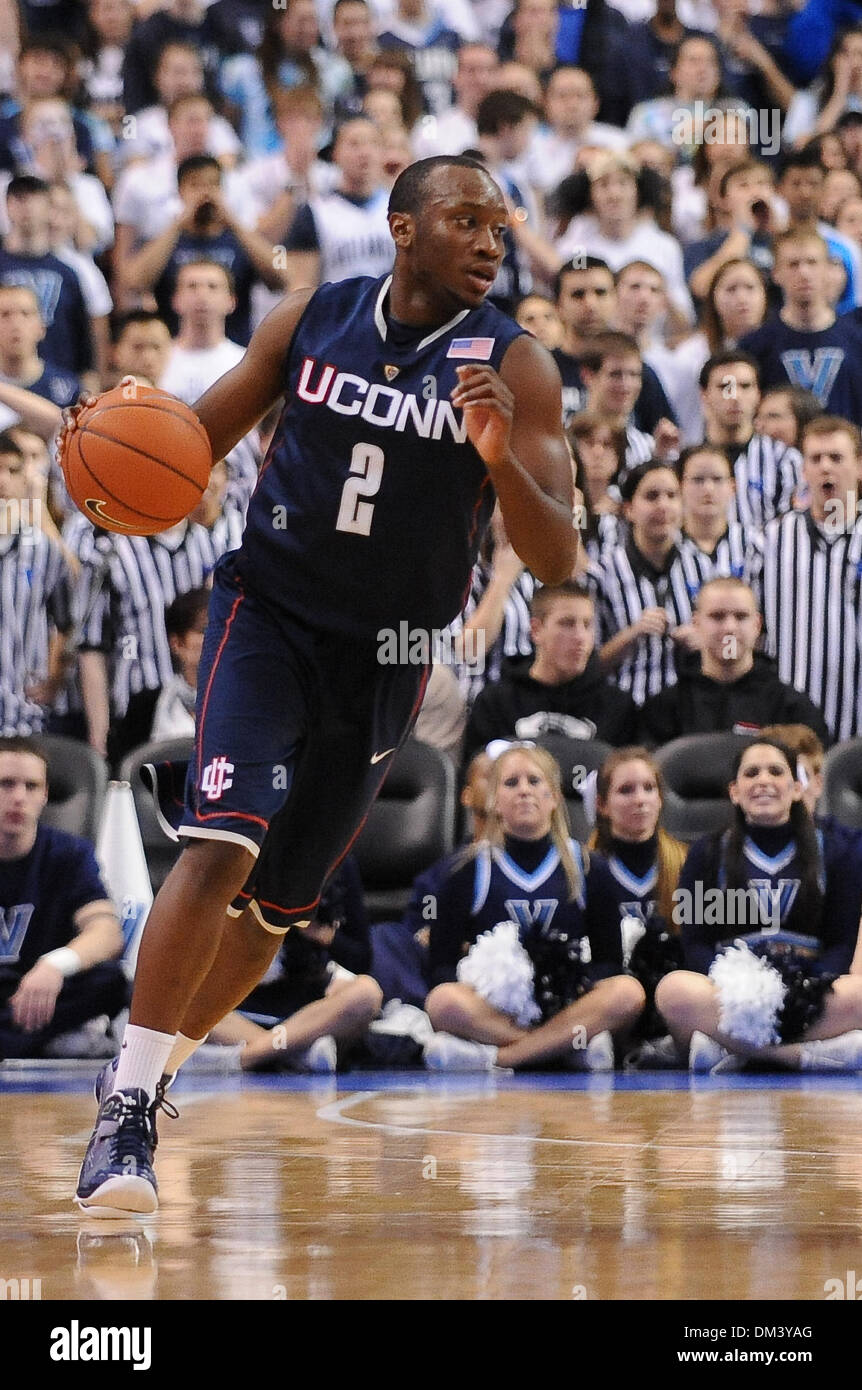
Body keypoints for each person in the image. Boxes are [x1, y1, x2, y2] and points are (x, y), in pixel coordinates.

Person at [70, 153, 576, 1215]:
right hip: (269, 611)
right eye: (467, 220)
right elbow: (192, 445)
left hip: (387, 653)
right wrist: (113, 461)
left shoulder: (515, 366)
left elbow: (559, 556)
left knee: (274, 911)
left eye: (501, 225)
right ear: (403, 228)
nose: (491, 240)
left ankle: (152, 1081)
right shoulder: (311, 318)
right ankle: (123, 1104)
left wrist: (497, 462)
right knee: (225, 836)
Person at [422, 743, 643, 1071]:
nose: (524, 791)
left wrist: (573, 986)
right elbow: (441, 965)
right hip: (497, 1009)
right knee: (442, 1002)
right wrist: (486, 985)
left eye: (534, 781)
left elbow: (608, 962)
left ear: (554, 797)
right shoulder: (466, 870)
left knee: (628, 992)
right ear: (495, 801)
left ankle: (501, 1057)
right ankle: (566, 1047)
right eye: (511, 783)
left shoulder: (587, 867)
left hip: (567, 1004)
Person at [655, 738, 862, 1073]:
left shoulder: (838, 852)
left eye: (776, 771)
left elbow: (841, 943)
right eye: (752, 773)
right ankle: (807, 1056)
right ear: (735, 791)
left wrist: (806, 989)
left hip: (809, 985)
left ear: (797, 788)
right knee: (674, 991)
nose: (764, 780)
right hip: (730, 993)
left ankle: (731, 1051)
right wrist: (735, 989)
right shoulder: (705, 853)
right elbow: (695, 943)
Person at [0, 737, 126, 1060]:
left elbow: (107, 932)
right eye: (5, 784)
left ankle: (22, 1041)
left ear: (44, 795)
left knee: (111, 981)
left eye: (31, 786)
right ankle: (33, 1043)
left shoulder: (68, 854)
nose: (18, 797)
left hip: (39, 993)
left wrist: (55, 965)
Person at [751, 414, 862, 741]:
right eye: (816, 458)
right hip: (787, 721)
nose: (825, 467)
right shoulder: (769, 540)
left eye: (836, 458)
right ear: (804, 470)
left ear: (859, 467)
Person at [638, 575, 832, 746]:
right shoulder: (663, 710)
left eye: (741, 616)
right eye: (717, 616)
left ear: (757, 625)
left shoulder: (794, 710)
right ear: (696, 623)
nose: (730, 627)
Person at [463, 581, 638, 763]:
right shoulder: (495, 704)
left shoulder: (616, 707)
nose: (580, 637)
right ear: (536, 630)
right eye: (567, 623)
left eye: (587, 625)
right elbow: (476, 780)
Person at [585, 746, 687, 1046]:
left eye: (649, 788)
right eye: (626, 790)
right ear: (602, 804)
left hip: (670, 996)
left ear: (660, 798)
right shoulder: (583, 868)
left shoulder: (688, 864)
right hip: (609, 995)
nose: (640, 799)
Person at [740, 229, 862, 420]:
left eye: (812, 263)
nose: (804, 272)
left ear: (828, 270)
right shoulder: (755, 346)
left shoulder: (856, 340)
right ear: (776, 273)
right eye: (793, 264)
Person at [0, 431, 74, 736]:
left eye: (13, 471)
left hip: (27, 714)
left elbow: (66, 622)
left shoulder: (43, 548)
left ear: (24, 480)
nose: (2, 480)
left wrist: (54, 676)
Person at [699, 351, 802, 530]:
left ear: (758, 395)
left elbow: (793, 528)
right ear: (704, 395)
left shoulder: (786, 460)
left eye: (745, 386)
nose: (734, 396)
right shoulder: (687, 462)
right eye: (725, 387)